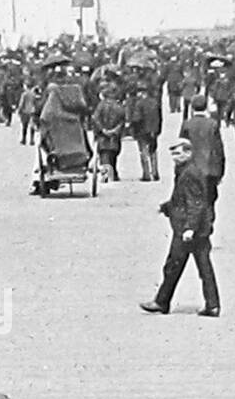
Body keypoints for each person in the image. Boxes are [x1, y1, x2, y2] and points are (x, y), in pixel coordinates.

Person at [140, 140, 220, 316]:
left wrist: (190, 228)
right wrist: (166, 207)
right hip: (195, 229)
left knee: (176, 266)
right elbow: (181, 199)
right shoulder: (186, 170)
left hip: (189, 230)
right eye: (173, 154)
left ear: (188, 153)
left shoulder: (190, 173)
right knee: (198, 267)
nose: (174, 158)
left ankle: (162, 302)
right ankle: (211, 305)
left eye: (178, 154)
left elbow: (195, 203)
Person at [179, 95, 226, 218]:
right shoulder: (212, 124)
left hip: (191, 168)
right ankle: (208, 220)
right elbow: (218, 149)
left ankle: (197, 221)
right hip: (209, 168)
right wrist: (220, 171)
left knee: (192, 198)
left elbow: (182, 148)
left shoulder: (187, 124)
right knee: (209, 199)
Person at [91, 89, 126, 180]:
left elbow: (96, 118)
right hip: (114, 136)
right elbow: (122, 121)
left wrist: (102, 129)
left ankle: (106, 174)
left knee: (104, 154)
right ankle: (113, 173)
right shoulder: (119, 106)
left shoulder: (101, 106)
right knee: (113, 154)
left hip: (102, 136)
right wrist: (115, 131)